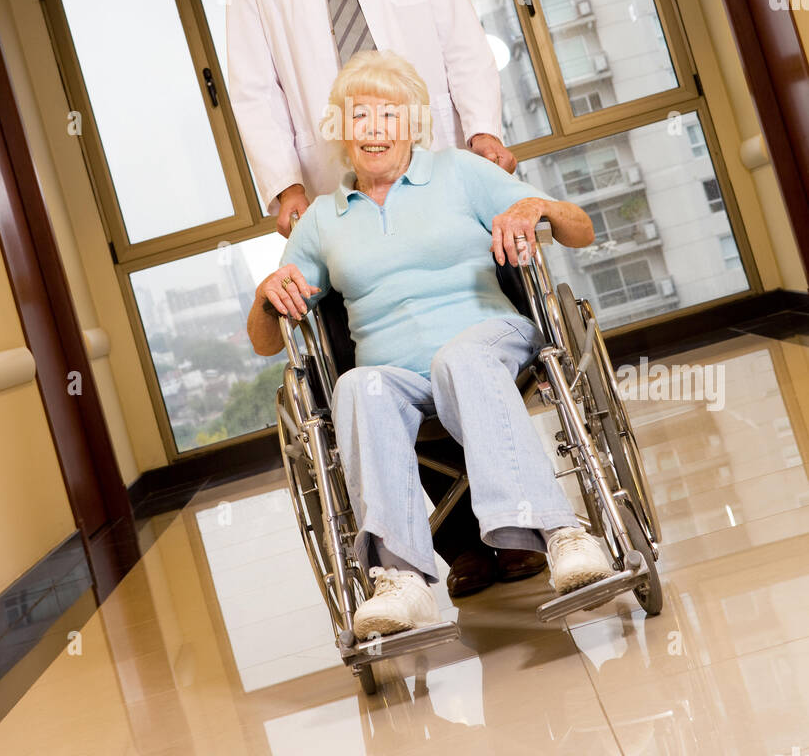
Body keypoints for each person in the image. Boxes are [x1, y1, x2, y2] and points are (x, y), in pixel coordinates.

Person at [226, 0, 537, 598]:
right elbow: (253, 85)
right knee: (379, 354)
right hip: (339, 199)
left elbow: (458, 29)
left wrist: (483, 129)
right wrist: (285, 185)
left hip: (439, 169)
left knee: (468, 329)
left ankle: (522, 518)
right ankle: (465, 541)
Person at [247, 51, 613, 639]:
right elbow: (267, 342)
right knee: (355, 386)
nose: (373, 127)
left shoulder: (459, 173)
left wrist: (536, 205)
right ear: (341, 131)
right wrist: (266, 295)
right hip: (398, 378)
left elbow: (581, 228)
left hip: (490, 341)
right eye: (358, 115)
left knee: (459, 358)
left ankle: (562, 534)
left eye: (388, 114)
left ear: (413, 124)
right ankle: (400, 581)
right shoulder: (321, 219)